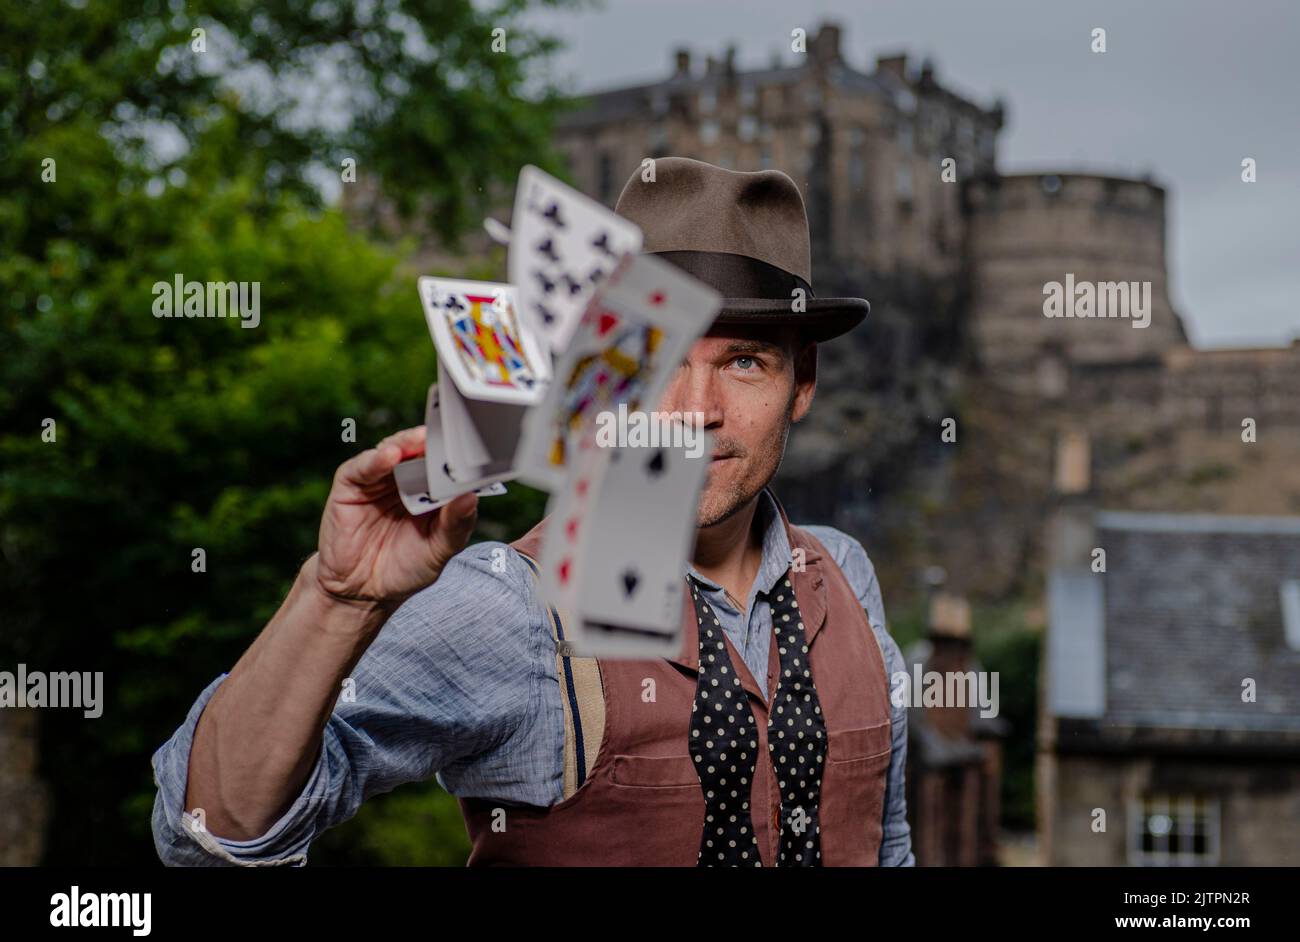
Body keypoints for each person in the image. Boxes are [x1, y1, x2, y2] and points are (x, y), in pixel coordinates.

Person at [150, 157, 915, 866]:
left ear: (802, 382)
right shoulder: (510, 606)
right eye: (658, 362)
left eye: (744, 361)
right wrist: (336, 599)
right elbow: (208, 832)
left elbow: (889, 843)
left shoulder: (844, 574)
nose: (696, 412)